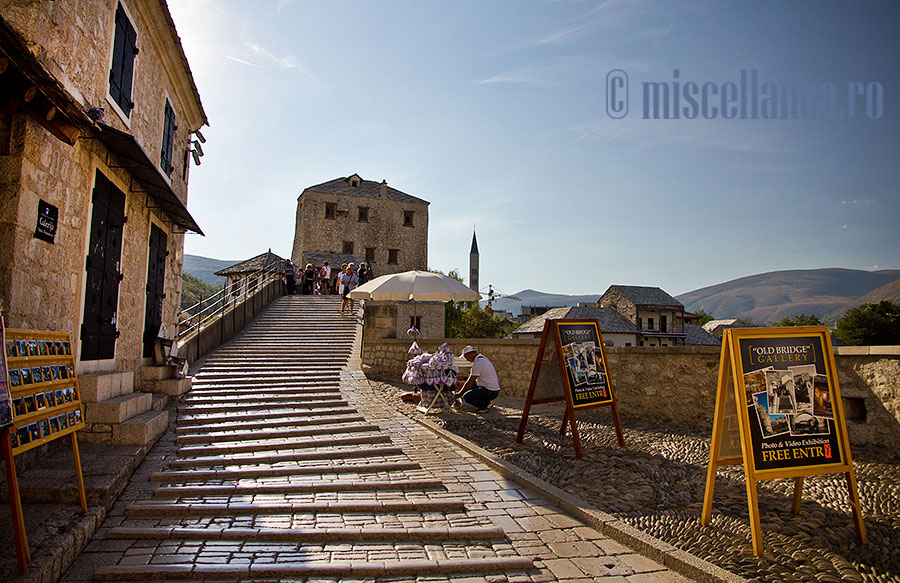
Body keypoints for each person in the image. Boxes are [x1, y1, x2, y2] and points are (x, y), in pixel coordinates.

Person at [456, 346, 500, 412]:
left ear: (470, 354)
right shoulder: (482, 359)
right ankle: (486, 402)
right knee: (467, 388)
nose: (466, 359)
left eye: (466, 357)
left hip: (490, 391)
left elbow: (470, 382)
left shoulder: (478, 362)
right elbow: (473, 379)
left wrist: (459, 394)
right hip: (492, 389)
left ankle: (484, 406)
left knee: (467, 397)